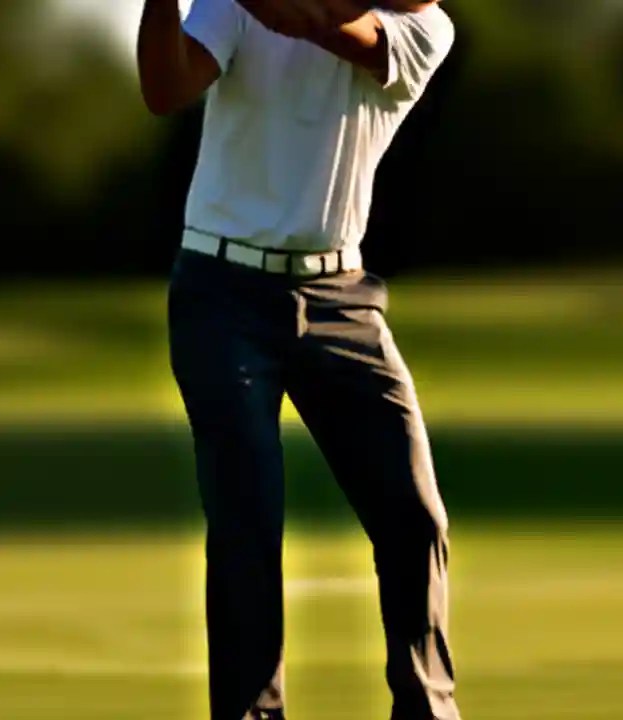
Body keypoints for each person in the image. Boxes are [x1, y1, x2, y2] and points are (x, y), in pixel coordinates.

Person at [136, 1, 459, 718]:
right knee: (247, 517)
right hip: (221, 296)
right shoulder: (228, 8)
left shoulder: (423, 30)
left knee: (414, 516)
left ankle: (428, 709)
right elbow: (166, 89)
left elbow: (313, 22)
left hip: (342, 299)